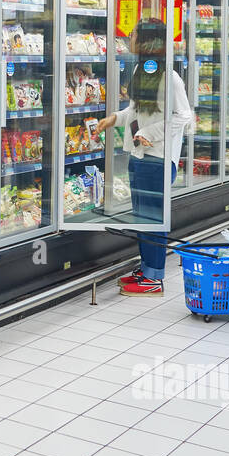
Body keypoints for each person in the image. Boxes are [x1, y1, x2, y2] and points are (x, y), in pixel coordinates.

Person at [87, 19, 195, 296]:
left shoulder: (171, 77)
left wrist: (151, 132)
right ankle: (147, 267)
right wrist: (114, 118)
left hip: (158, 158)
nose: (129, 37)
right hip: (140, 155)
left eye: (133, 34)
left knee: (153, 218)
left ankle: (154, 278)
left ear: (146, 41)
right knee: (141, 217)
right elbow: (136, 110)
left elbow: (183, 116)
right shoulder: (140, 70)